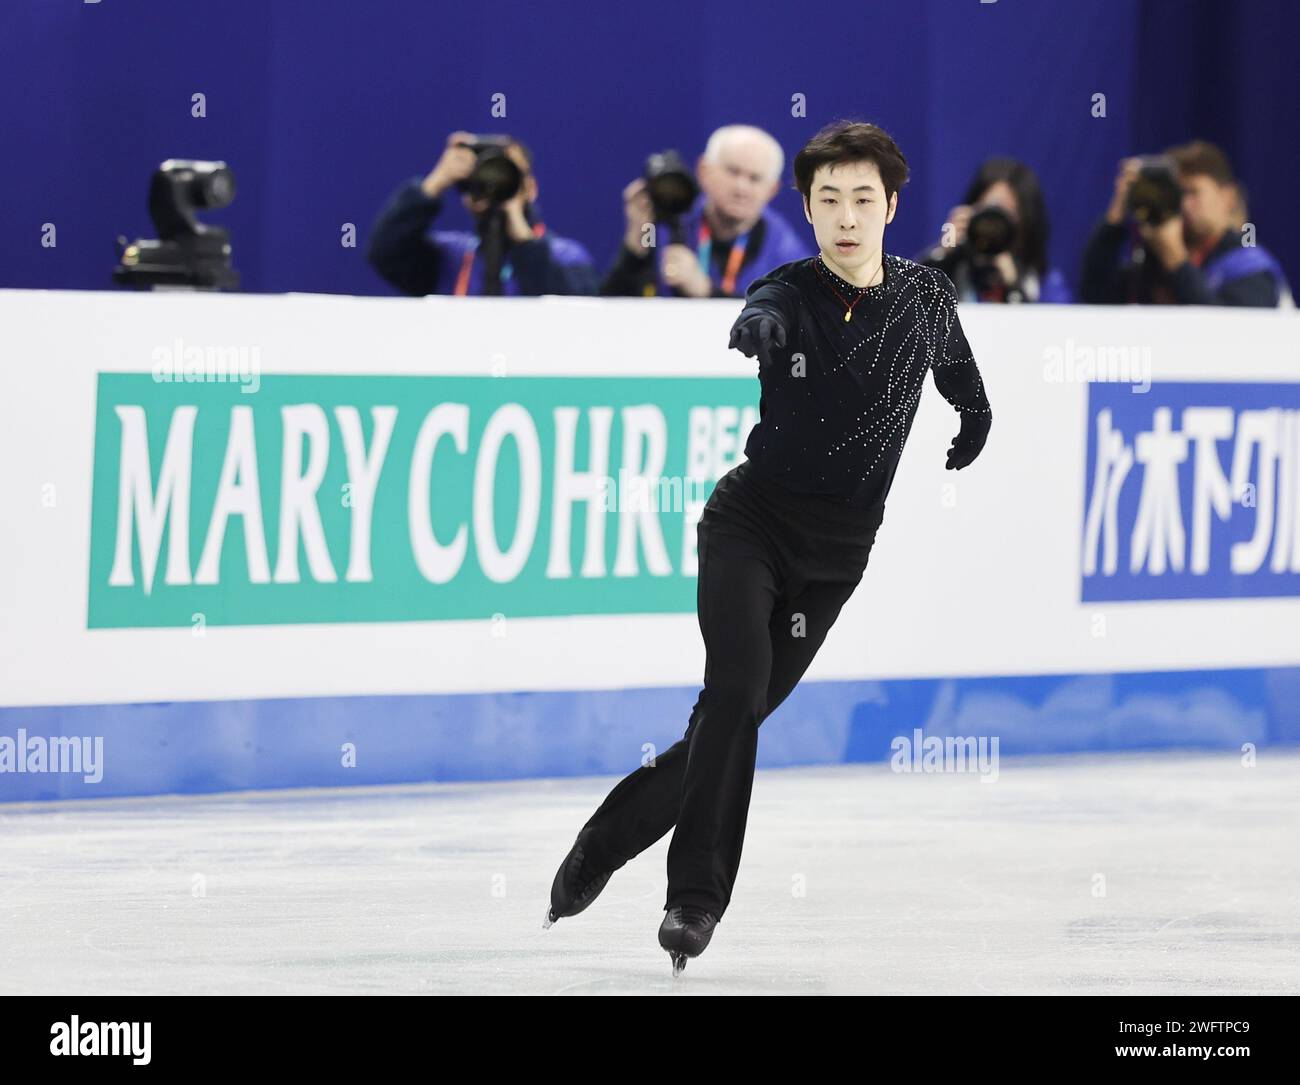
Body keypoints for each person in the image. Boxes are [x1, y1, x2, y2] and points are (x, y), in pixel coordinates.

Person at [544, 119, 993, 975]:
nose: (848, 217)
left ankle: (603, 842)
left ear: (892, 206)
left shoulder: (928, 296)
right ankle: (695, 900)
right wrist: (757, 327)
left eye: (864, 199)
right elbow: (766, 307)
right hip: (749, 527)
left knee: (731, 720)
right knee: (737, 689)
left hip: (837, 556)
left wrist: (975, 416)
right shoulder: (786, 288)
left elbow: (958, 369)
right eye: (829, 201)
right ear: (809, 209)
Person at [366, 131, 598, 296]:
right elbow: (385, 252)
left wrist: (525, 243)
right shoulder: (452, 259)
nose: (493, 184)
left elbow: (573, 319)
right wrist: (435, 182)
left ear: (531, 188)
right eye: (480, 179)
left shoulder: (566, 257)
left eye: (507, 174)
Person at [600, 124, 813, 298]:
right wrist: (633, 249)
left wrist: (706, 291)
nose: (741, 188)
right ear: (704, 170)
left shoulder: (787, 255)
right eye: (733, 171)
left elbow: (793, 325)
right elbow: (609, 314)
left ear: (772, 190)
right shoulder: (667, 220)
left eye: (754, 178)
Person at [1079, 140, 1291, 306]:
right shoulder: (1154, 263)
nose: (1184, 204)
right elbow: (1095, 295)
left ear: (1229, 198)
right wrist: (1117, 216)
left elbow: (1226, 340)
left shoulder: (1250, 266)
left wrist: (1175, 258)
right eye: (1177, 193)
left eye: (1193, 192)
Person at [918, 157, 1073, 303]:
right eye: (990, 209)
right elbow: (911, 307)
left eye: (1008, 213)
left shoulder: (1045, 284)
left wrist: (1015, 288)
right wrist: (945, 252)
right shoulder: (953, 273)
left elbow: (1055, 325)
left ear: (1027, 221)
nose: (995, 225)